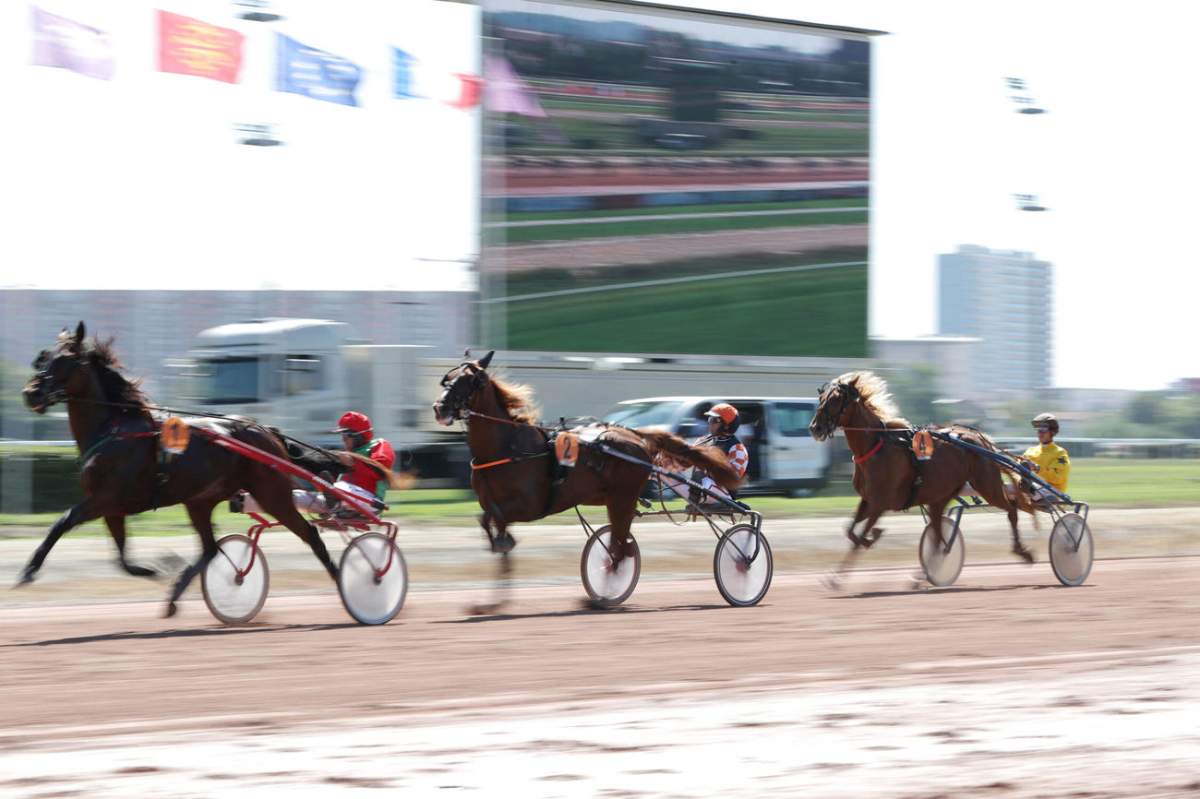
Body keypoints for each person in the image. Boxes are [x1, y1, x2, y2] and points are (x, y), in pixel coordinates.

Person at [238, 411, 395, 517]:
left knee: (338, 487)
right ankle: (243, 502)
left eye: (346, 435)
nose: (343, 439)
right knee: (292, 497)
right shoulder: (348, 453)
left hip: (369, 501)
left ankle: (334, 499)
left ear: (359, 436)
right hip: (341, 498)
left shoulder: (379, 445)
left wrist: (355, 462)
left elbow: (380, 468)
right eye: (342, 435)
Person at [1021, 412, 1070, 502]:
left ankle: (1031, 491)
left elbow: (1058, 478)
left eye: (1043, 429)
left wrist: (1037, 468)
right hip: (1031, 487)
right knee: (1003, 489)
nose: (1040, 433)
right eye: (1038, 429)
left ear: (1052, 431)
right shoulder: (1030, 451)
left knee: (1028, 489)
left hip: (1052, 490)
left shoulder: (1060, 453)